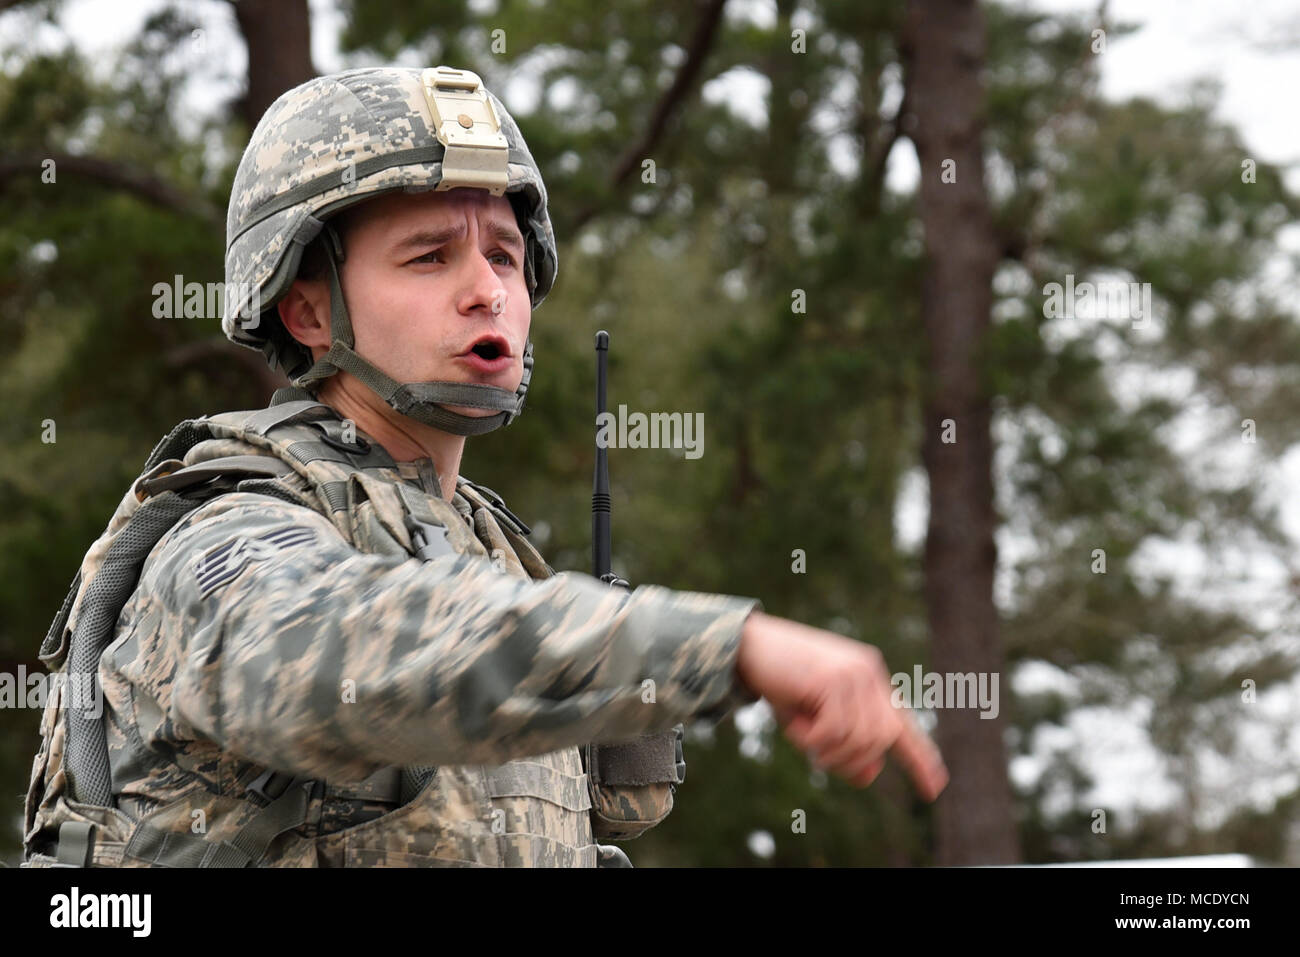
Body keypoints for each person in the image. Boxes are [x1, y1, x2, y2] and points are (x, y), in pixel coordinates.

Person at [22, 65, 947, 868]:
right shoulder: (229, 527)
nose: (486, 289)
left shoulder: (490, 558)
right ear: (306, 312)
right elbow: (339, 649)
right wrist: (725, 646)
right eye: (429, 256)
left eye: (505, 253)